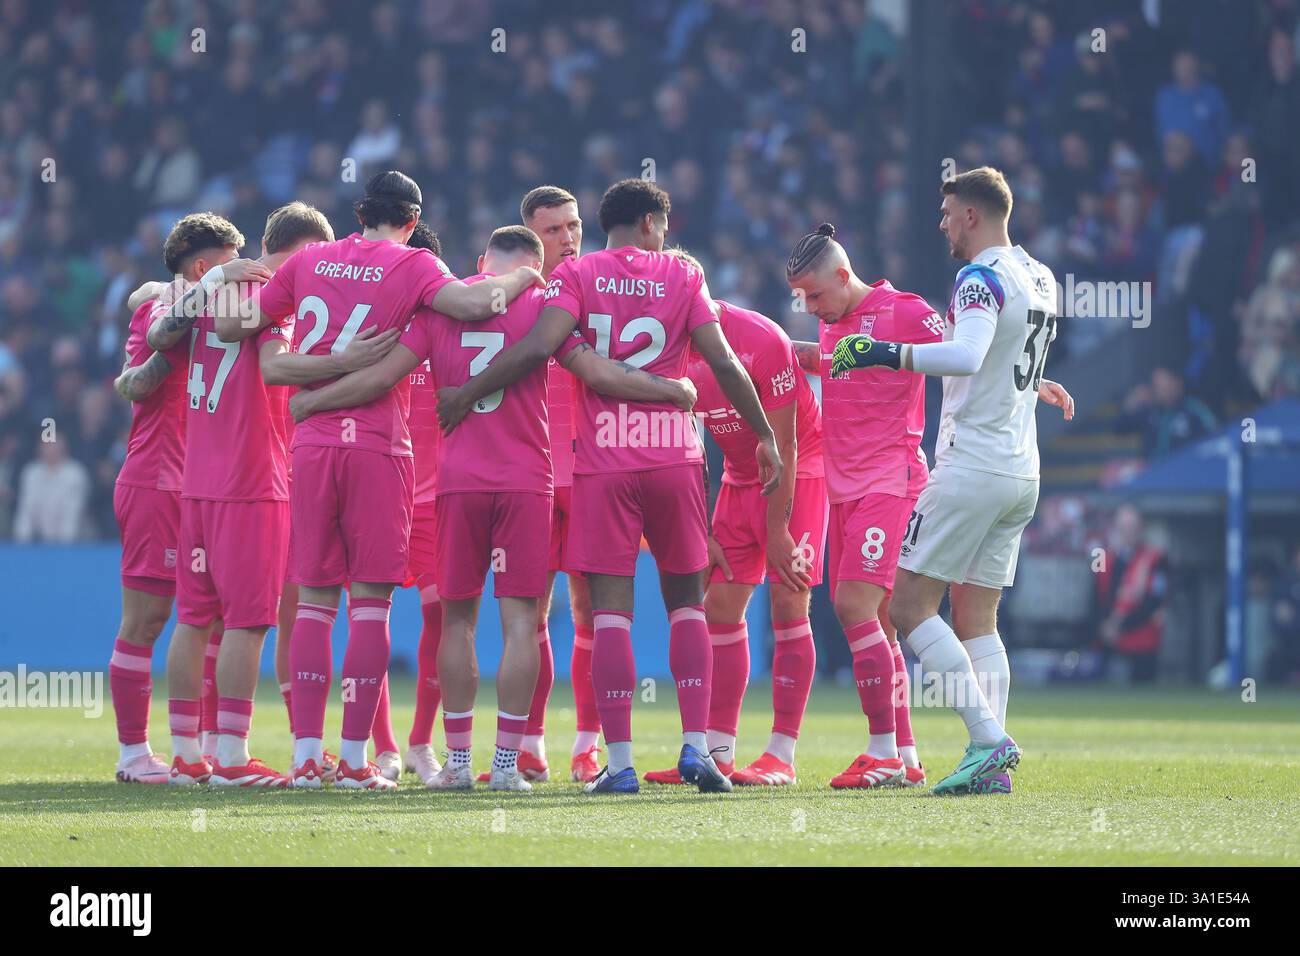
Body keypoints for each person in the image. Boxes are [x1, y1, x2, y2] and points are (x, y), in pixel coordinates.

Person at [291, 225, 693, 790]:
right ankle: (506, 765)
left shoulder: (442, 307)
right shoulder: (551, 305)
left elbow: (382, 376)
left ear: (485, 261)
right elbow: (597, 371)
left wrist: (312, 402)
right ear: (534, 263)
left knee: (456, 622)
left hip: (458, 483)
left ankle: (457, 762)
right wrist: (671, 390)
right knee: (522, 625)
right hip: (527, 482)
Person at [195, 170, 545, 790]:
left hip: (312, 448)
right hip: (379, 448)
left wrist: (225, 280)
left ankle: (307, 756)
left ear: (359, 211)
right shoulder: (413, 265)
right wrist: (522, 275)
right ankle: (356, 759)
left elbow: (230, 329)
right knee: (371, 606)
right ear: (413, 221)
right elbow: (471, 304)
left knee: (312, 605)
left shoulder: (312, 261)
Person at [436, 179, 783, 794]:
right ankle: (696, 751)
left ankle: (617, 763)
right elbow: (724, 361)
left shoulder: (579, 276)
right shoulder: (681, 275)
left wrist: (468, 393)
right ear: (651, 222)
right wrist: (764, 435)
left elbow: (539, 346)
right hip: (675, 459)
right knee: (687, 606)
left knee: (610, 617)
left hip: (603, 465)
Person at [833, 167, 1074, 795]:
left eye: (946, 213)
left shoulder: (978, 277)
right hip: (1023, 470)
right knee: (979, 619)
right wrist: (1034, 386)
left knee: (910, 607)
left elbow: (967, 355)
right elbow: (1003, 352)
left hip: (972, 466)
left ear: (971, 214)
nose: (941, 225)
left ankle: (989, 741)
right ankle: (991, 759)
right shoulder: (1040, 275)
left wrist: (884, 352)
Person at [643, 248, 824, 788]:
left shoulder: (759, 338)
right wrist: (701, 530)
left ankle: (782, 755)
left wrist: (776, 530)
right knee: (719, 604)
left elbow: (786, 443)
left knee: (789, 597)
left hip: (802, 470)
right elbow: (684, 446)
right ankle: (716, 753)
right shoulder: (664, 345)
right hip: (738, 477)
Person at [783, 223, 938, 789]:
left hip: (890, 484)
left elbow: (970, 350)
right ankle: (906, 752)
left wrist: (1033, 380)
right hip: (844, 488)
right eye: (803, 300)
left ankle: (882, 753)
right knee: (879, 623)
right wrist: (789, 351)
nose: (812, 308)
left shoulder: (906, 312)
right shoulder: (832, 324)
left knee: (852, 605)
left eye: (817, 296)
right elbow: (840, 363)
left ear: (845, 276)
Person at [106, 214, 252, 785]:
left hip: (198, 484)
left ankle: (209, 745)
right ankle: (132, 753)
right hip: (156, 481)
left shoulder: (181, 302)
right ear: (201, 266)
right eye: (229, 262)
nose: (239, 274)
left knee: (211, 614)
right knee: (147, 620)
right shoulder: (162, 310)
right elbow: (137, 381)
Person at [518, 185, 602, 783]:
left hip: (595, 470)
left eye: (573, 226)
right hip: (532, 472)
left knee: (595, 613)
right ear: (530, 235)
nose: (568, 238)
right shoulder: (510, 293)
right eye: (553, 230)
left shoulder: (603, 284)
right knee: (533, 611)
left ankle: (589, 742)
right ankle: (530, 739)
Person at [1095, 505, 1167, 683]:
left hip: (1141, 643)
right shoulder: (1105, 560)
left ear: (1141, 529)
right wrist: (1104, 627)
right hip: (1107, 642)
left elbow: (1153, 602)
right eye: (1123, 528)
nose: (1128, 533)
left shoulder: (1155, 559)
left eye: (1132, 527)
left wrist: (1120, 627)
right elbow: (1096, 598)